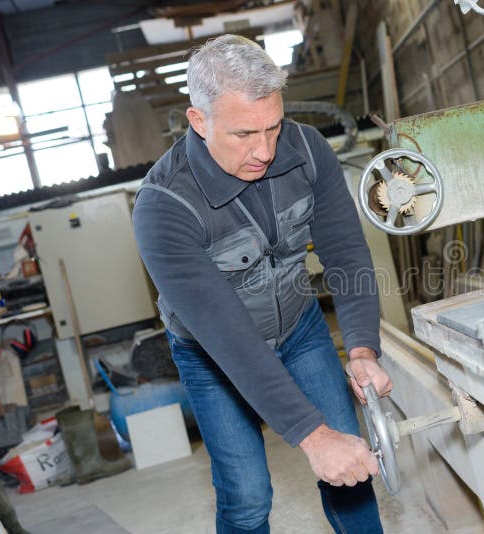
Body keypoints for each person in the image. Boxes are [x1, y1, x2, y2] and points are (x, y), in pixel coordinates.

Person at [132, 34, 391, 534]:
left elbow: (345, 251)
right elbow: (227, 336)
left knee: (352, 469)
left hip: (301, 329)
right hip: (212, 355)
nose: (265, 150)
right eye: (245, 134)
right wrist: (313, 438)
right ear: (199, 121)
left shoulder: (307, 150)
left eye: (273, 127)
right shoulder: (163, 207)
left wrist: (362, 349)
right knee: (248, 497)